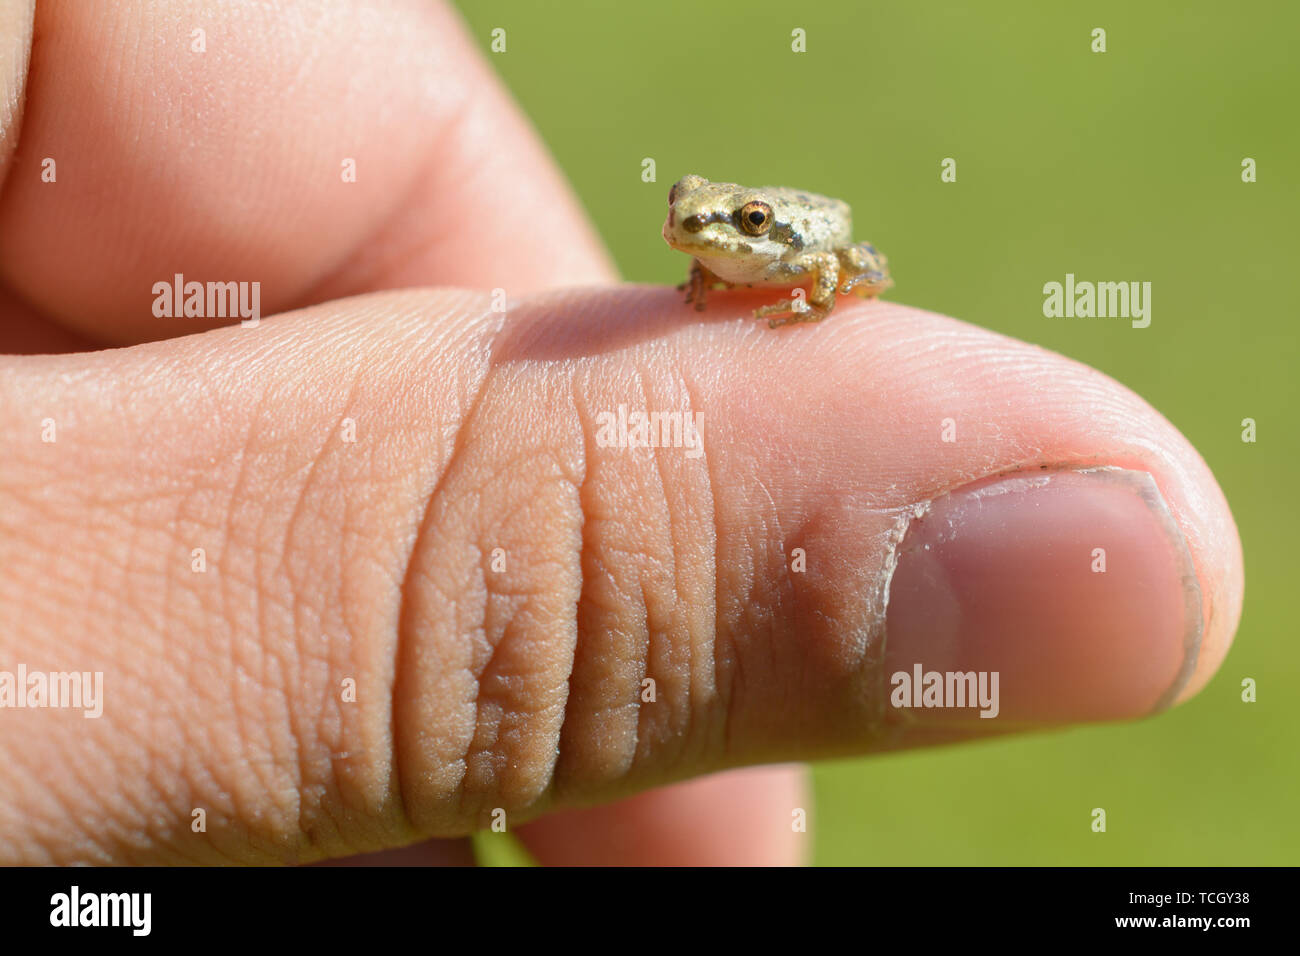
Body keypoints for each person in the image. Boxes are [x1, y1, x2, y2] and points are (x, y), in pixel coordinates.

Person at [0, 0, 1242, 866]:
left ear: (753, 229)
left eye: (723, 224)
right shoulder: (707, 254)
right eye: (689, 217)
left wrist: (793, 284)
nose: (697, 233)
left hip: (822, 250)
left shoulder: (785, 250)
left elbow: (837, 257)